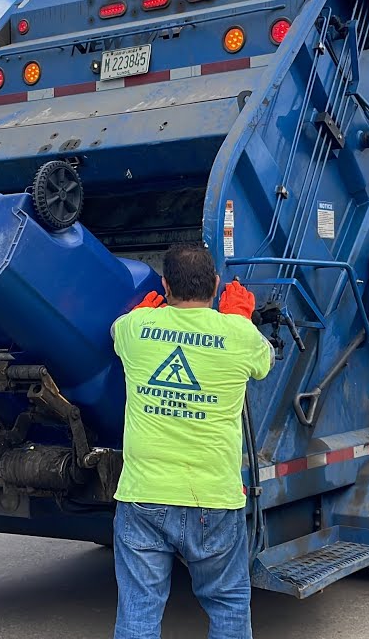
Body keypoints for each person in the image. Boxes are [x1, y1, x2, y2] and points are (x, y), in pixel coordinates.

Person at [110, 243, 274, 639]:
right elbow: (265, 362)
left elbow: (117, 331)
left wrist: (142, 314)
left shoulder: (134, 331)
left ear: (165, 285)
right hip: (213, 499)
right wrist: (239, 319)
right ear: (216, 284)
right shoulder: (238, 334)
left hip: (143, 496)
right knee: (228, 602)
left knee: (138, 612)